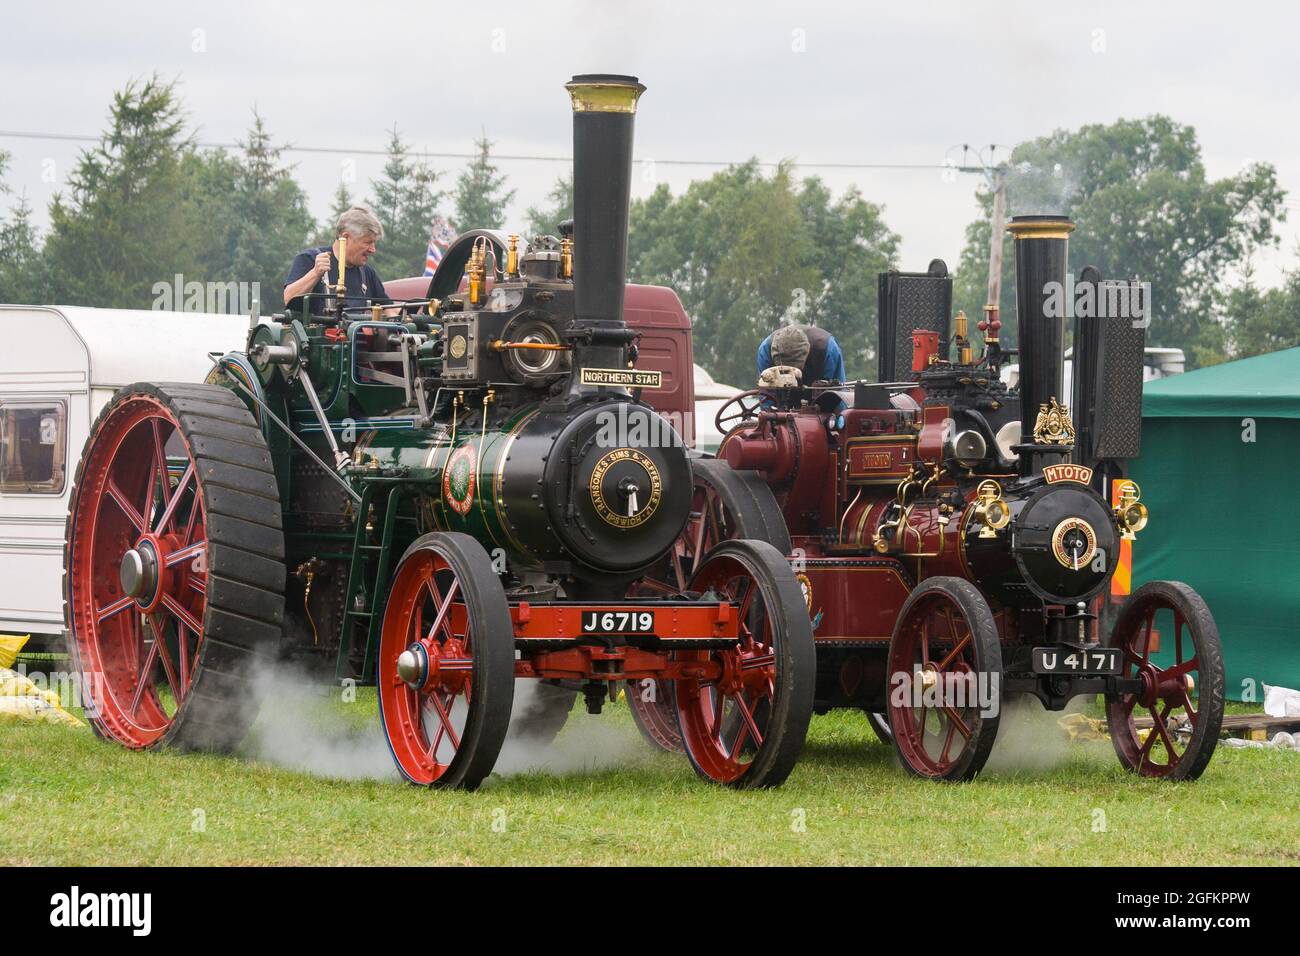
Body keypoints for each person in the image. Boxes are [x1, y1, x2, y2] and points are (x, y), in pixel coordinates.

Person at [284, 205, 393, 315]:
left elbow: (391, 310)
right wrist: (315, 273)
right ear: (345, 238)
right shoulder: (309, 259)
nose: (373, 250)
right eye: (368, 242)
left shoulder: (368, 274)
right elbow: (288, 299)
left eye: (374, 243)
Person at [755, 324, 846, 386]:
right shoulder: (765, 351)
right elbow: (765, 395)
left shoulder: (827, 348)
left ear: (807, 350)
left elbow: (839, 394)